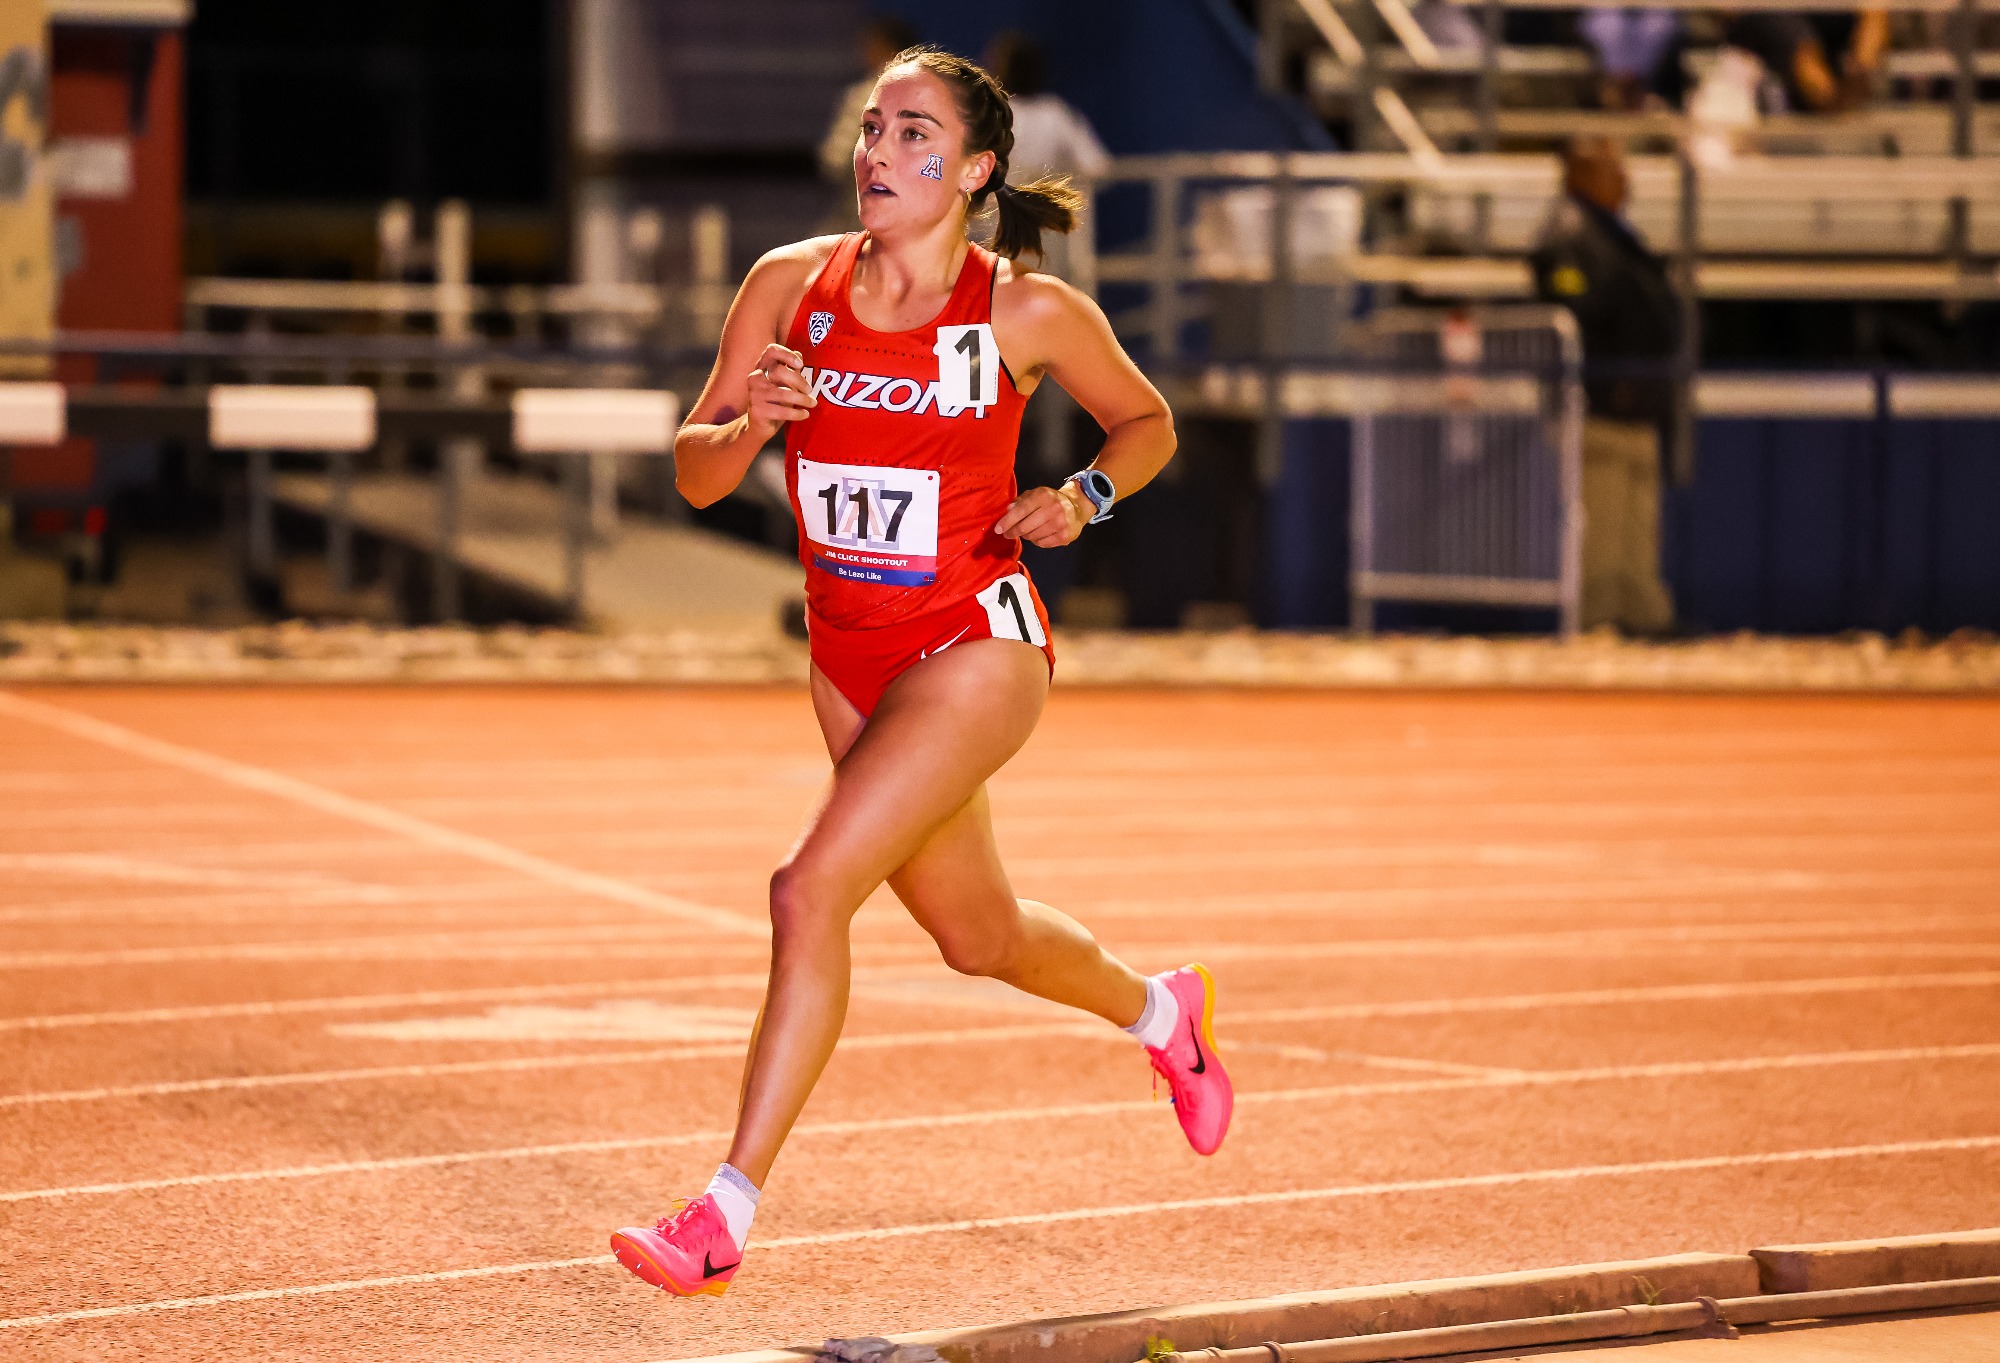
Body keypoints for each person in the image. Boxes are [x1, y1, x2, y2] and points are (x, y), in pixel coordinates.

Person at [609, 46, 1231, 1299]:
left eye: (912, 135)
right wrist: (753, 423)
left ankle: (722, 1212)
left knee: (806, 889)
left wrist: (1082, 496)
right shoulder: (787, 284)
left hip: (973, 643)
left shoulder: (1023, 311)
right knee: (977, 936)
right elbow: (693, 470)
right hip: (846, 655)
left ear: (975, 170)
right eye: (870, 128)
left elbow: (1147, 421)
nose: (878, 154)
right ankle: (1162, 1013)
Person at [1530, 137, 1679, 636]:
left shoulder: (1614, 232)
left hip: (1640, 396)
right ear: (1582, 176)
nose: (1624, 179)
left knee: (1636, 517)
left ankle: (1643, 613)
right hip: (1600, 399)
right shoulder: (1569, 234)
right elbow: (1574, 310)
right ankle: (1597, 616)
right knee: (1602, 514)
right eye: (1612, 169)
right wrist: (1612, 377)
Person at [819, 17, 921, 232]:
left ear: (886, 47)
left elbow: (835, 159)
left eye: (870, 45)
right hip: (915, 214)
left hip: (861, 211)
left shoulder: (865, 95)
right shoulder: (930, 96)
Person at [1724, 9, 1889, 111]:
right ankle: (1831, 106)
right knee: (1803, 46)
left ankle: (1854, 96)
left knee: (1875, 9)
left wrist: (1860, 68)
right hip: (1771, 10)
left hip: (1823, 15)